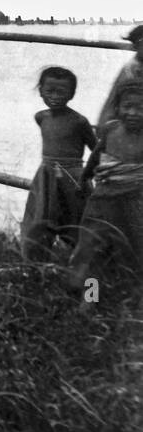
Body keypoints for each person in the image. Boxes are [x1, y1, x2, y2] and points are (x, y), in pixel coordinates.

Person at [67, 81, 143, 296]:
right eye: (127, 106)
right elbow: (95, 157)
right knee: (91, 250)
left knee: (134, 252)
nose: (133, 113)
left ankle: (132, 299)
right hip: (101, 202)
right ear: (117, 107)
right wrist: (83, 180)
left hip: (135, 204)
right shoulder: (111, 130)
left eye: (141, 108)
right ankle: (91, 298)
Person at [20, 66, 96, 261]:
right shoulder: (41, 117)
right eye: (49, 91)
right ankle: (36, 263)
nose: (54, 96)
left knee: (75, 219)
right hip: (46, 175)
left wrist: (88, 175)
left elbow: (95, 149)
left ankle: (77, 262)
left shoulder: (79, 121)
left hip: (72, 176)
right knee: (40, 218)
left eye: (61, 92)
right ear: (40, 92)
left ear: (72, 94)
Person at [97, 23, 143, 127]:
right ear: (135, 46)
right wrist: (105, 123)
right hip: (133, 117)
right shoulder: (130, 70)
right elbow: (113, 100)